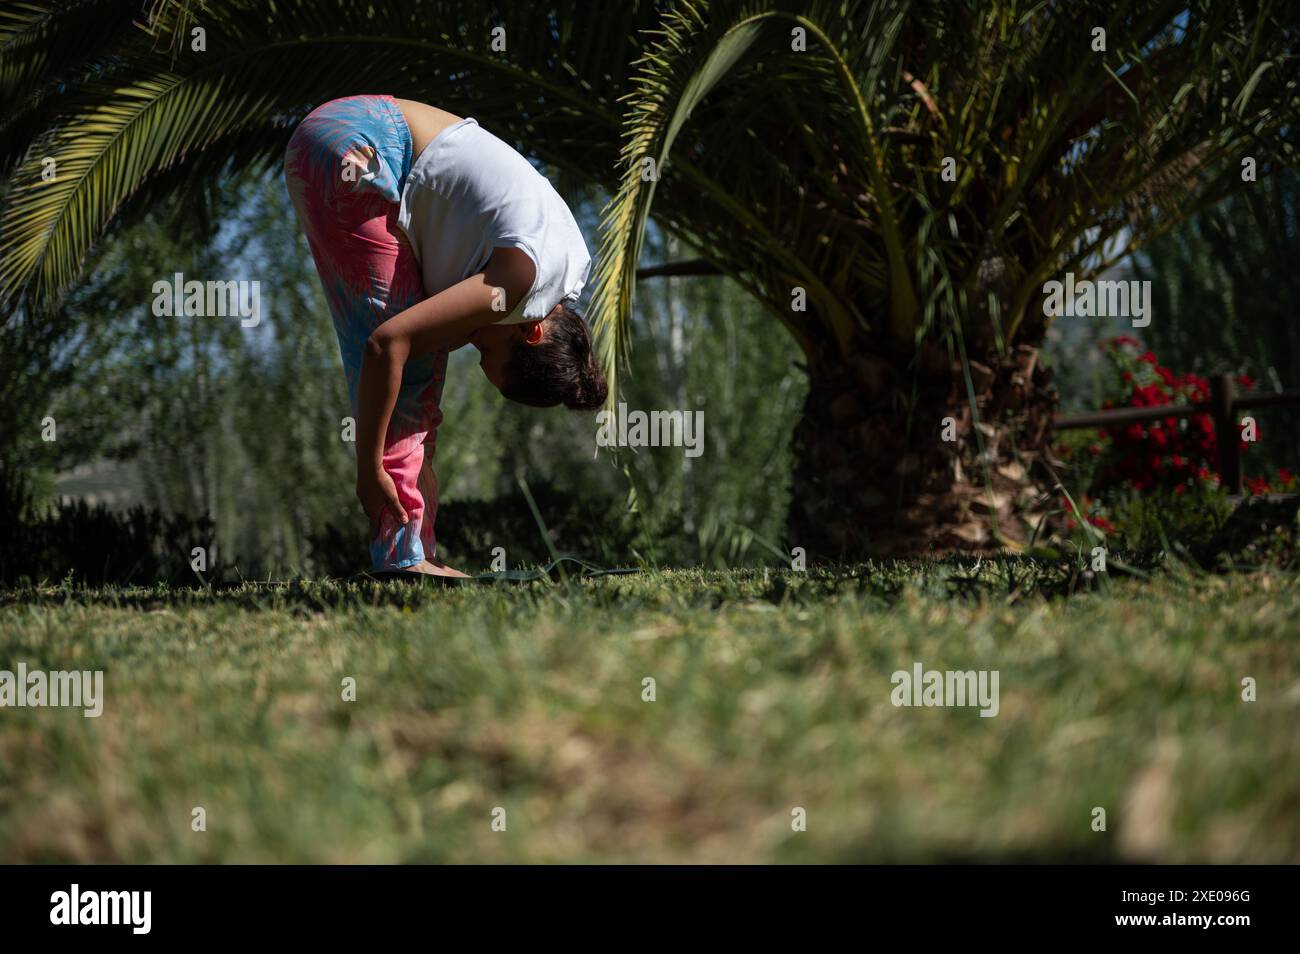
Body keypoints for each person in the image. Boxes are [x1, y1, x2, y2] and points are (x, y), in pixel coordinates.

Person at [284, 94, 607, 576]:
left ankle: (416, 551)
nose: (473, 341)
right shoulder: (517, 283)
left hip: (350, 137)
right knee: (408, 361)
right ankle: (404, 557)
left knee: (420, 350)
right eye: (488, 348)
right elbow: (384, 344)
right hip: (365, 149)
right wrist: (369, 469)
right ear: (532, 331)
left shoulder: (566, 272)